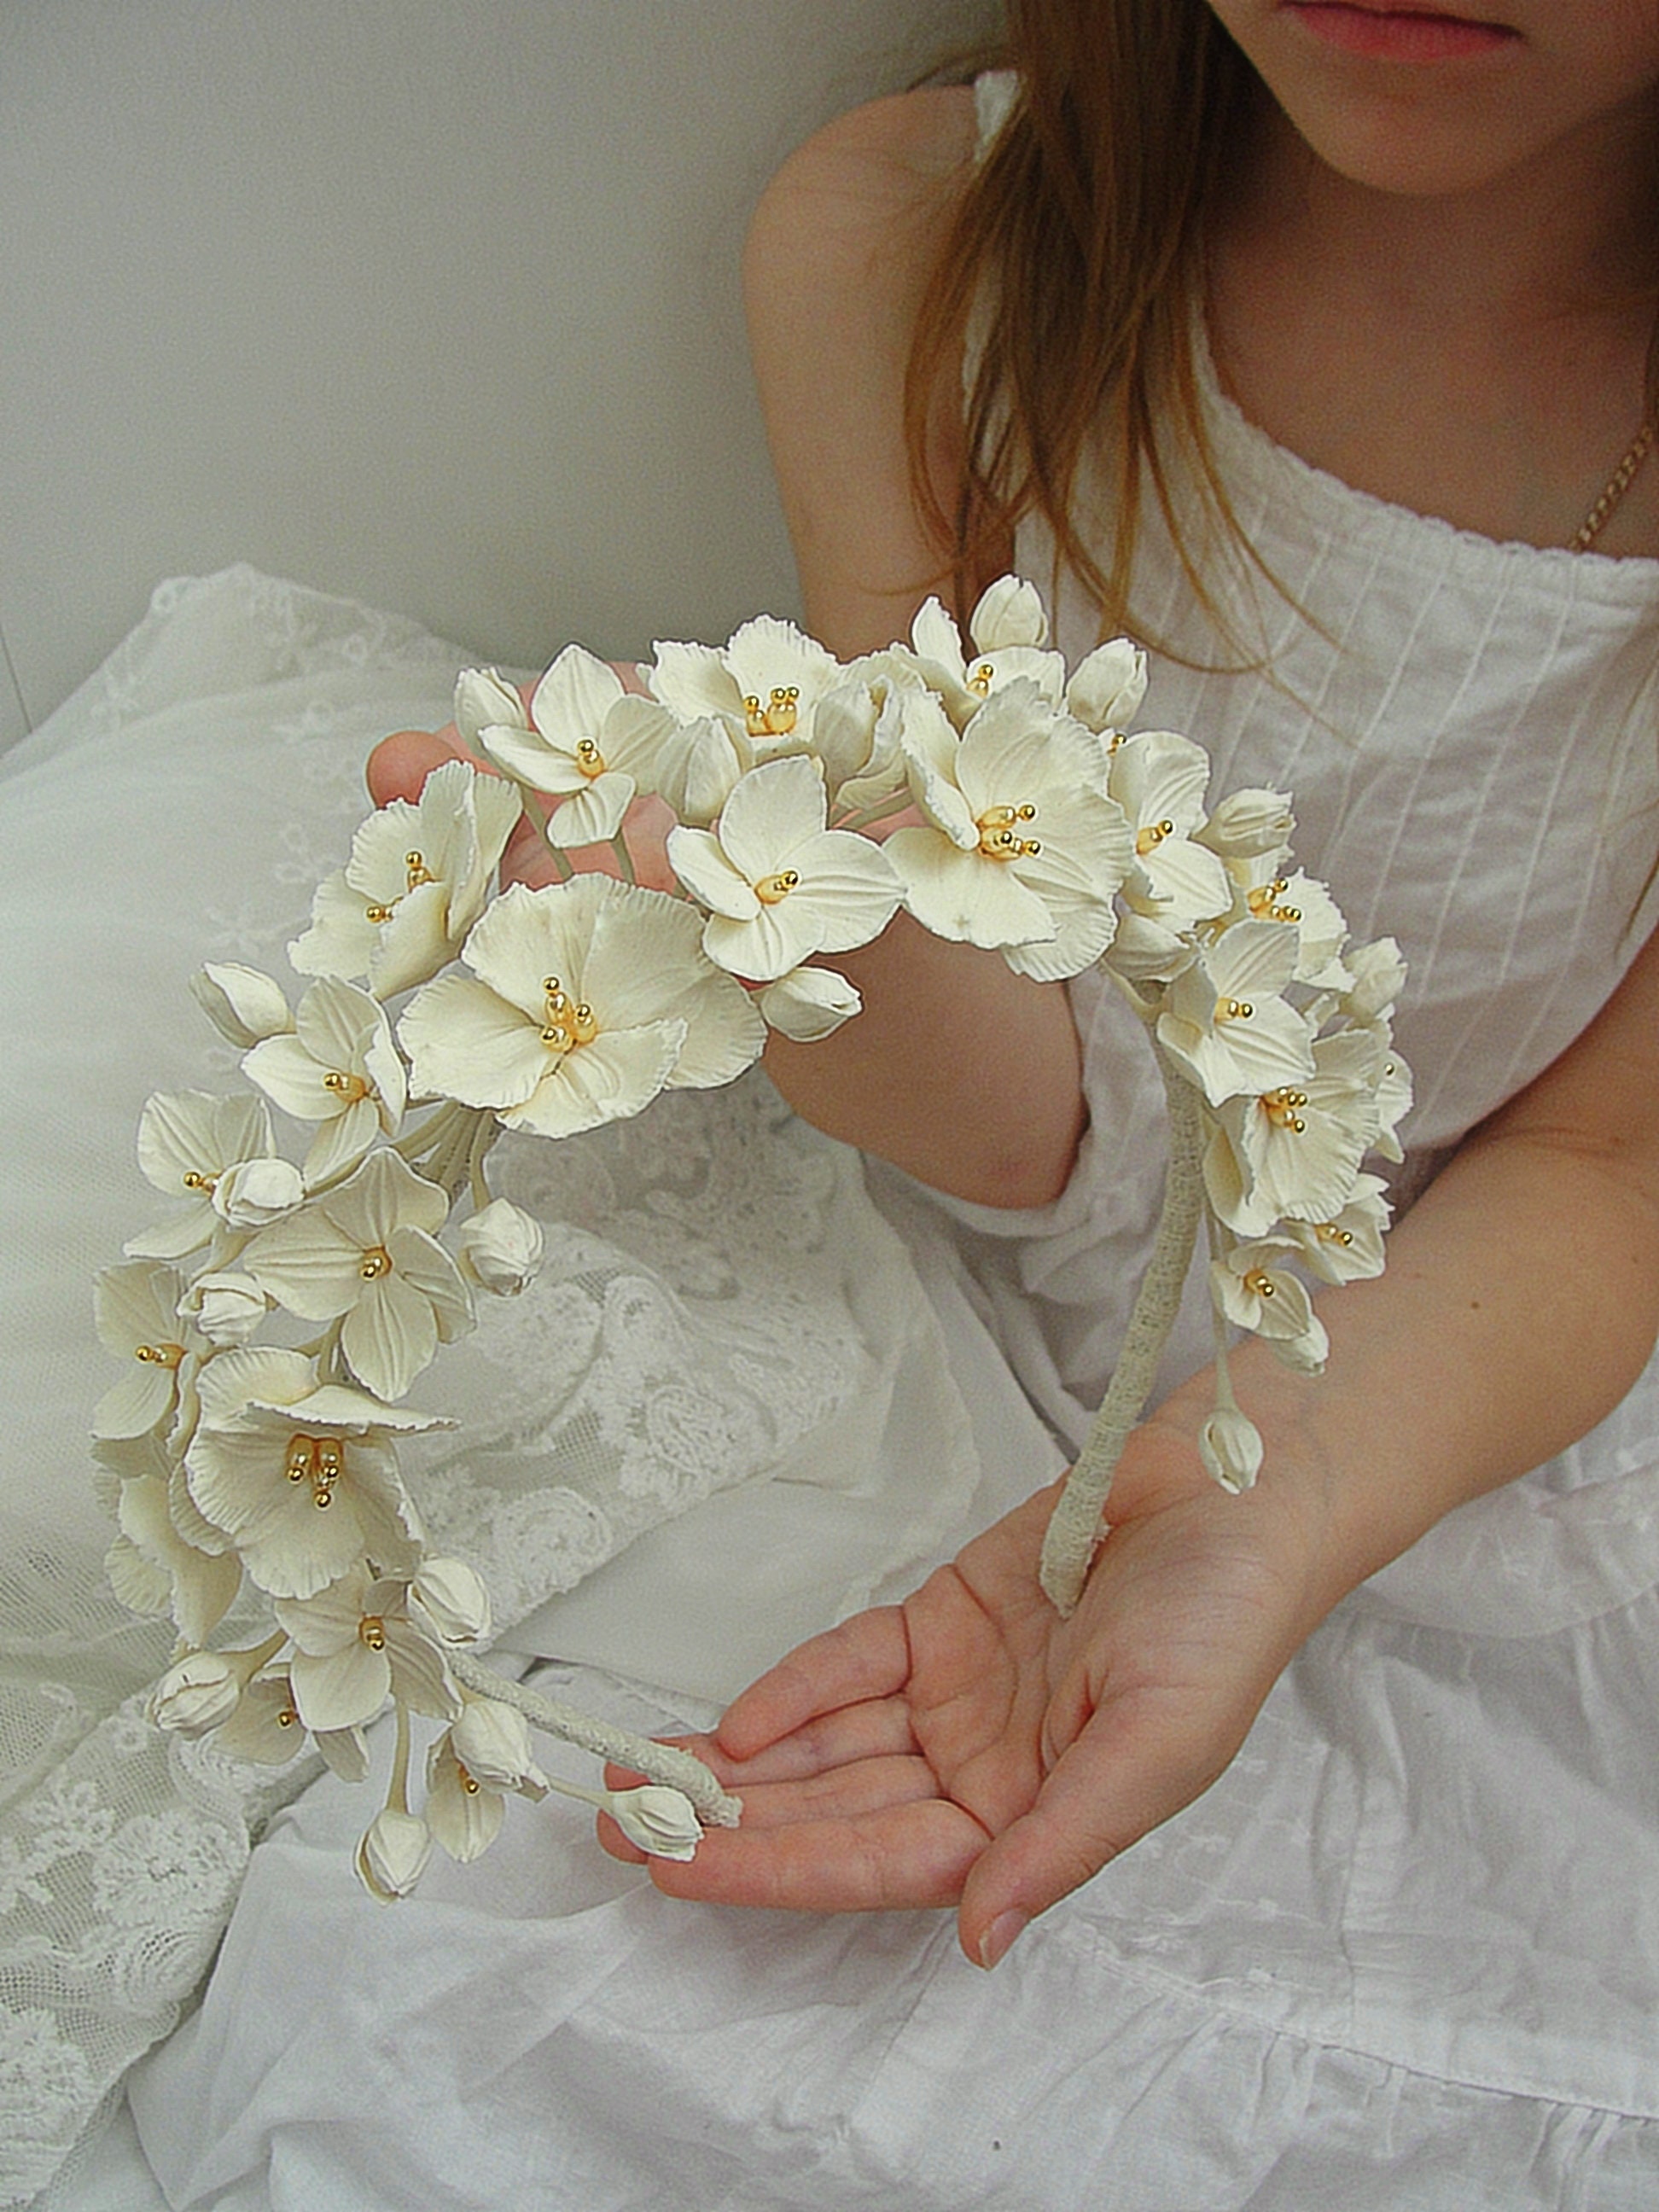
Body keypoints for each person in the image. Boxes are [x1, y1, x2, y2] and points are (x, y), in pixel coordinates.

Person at [124, 3, 1659, 2202]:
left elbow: (1608, 1165)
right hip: (931, 1336)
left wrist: (1278, 1502)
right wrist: (748, 926)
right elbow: (1019, 1110)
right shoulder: (919, 240)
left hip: (1452, 1408)